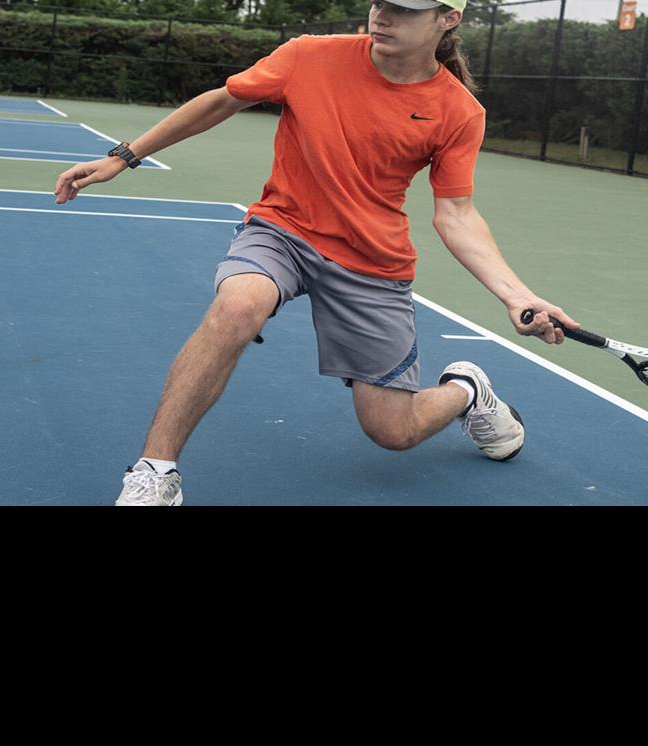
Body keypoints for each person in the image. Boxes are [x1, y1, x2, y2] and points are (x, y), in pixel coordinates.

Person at [55, 0, 578, 506]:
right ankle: (155, 471)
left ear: (448, 19)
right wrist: (125, 156)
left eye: (406, 8)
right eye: (380, 2)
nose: (384, 15)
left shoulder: (459, 111)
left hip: (372, 262)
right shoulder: (309, 55)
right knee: (237, 306)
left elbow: (456, 215)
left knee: (393, 432)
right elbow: (224, 99)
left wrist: (518, 296)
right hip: (282, 229)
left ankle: (467, 389)